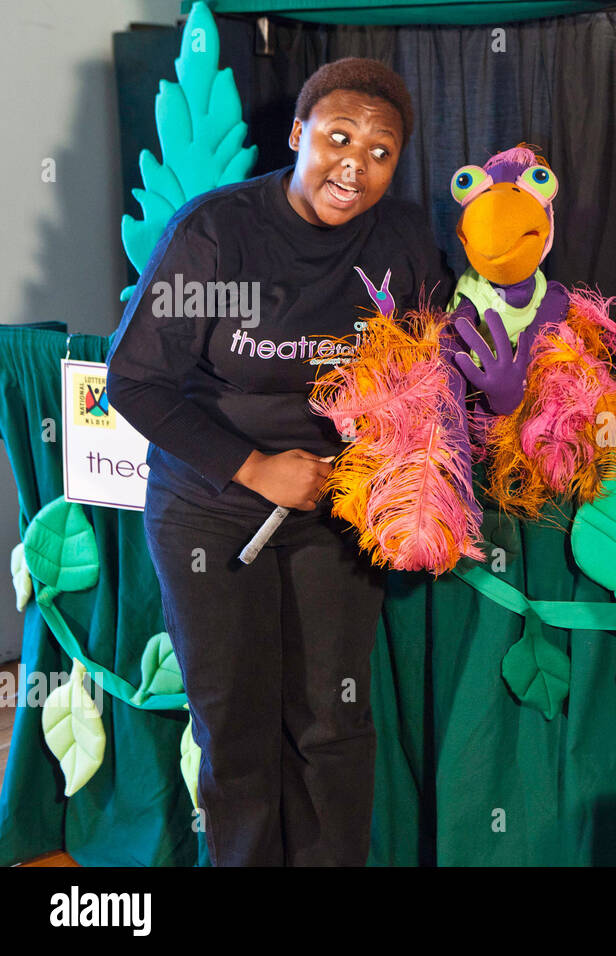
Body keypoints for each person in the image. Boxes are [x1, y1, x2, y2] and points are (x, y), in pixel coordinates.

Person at [106, 58, 455, 866]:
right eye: (338, 138)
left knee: (333, 724)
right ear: (298, 135)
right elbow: (136, 382)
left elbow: (429, 360)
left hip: (335, 513)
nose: (355, 165)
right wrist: (256, 468)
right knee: (237, 729)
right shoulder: (218, 234)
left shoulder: (400, 237)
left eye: (380, 151)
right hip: (211, 509)